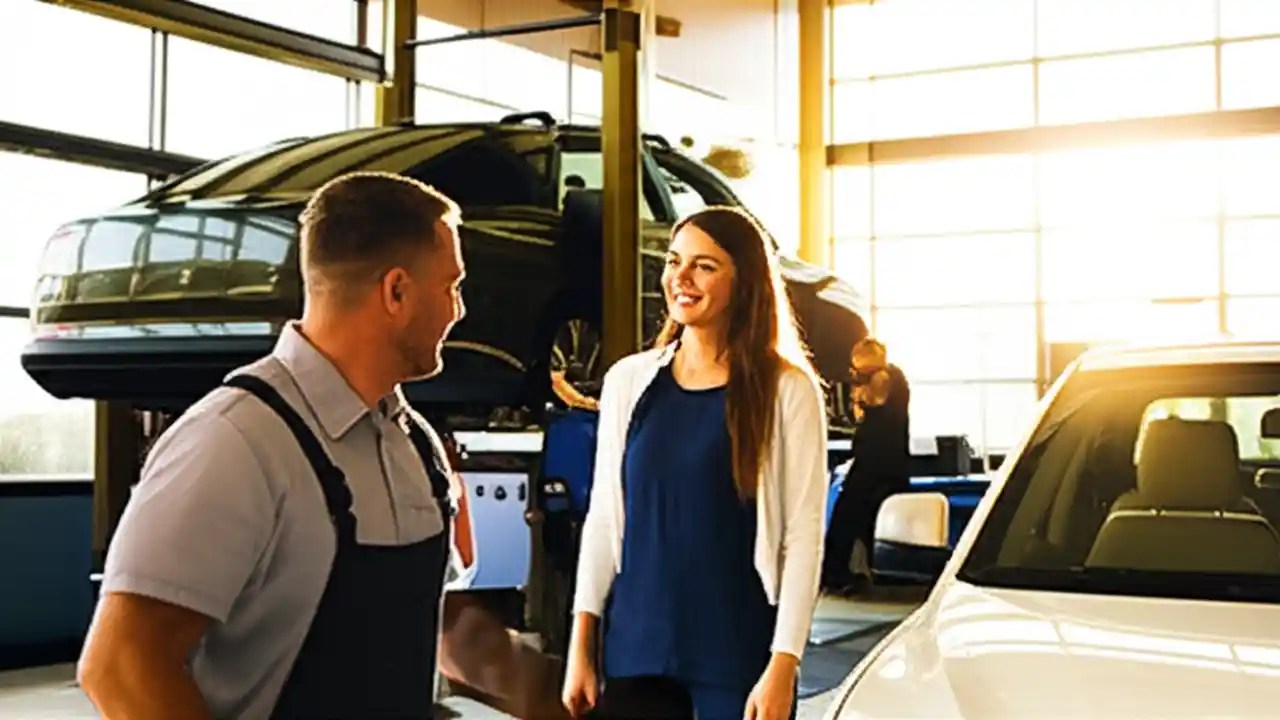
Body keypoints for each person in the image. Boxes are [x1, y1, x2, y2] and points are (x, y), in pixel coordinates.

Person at [76, 171, 468, 719]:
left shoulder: (415, 446)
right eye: (451, 287)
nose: (459, 310)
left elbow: (445, 628)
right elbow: (121, 666)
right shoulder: (237, 441)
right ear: (396, 292)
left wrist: (553, 692)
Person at [560, 207, 829, 720]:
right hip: (637, 648)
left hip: (736, 652)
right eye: (673, 260)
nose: (680, 278)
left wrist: (783, 665)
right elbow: (603, 519)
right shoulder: (629, 381)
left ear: (744, 281)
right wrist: (581, 642)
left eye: (704, 266)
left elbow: (803, 536)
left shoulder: (786, 390)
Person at [822, 338, 910, 594]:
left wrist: (860, 385)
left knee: (848, 519)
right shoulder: (887, 381)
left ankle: (838, 573)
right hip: (882, 461)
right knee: (861, 521)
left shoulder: (887, 379)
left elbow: (874, 399)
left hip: (878, 463)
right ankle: (857, 572)